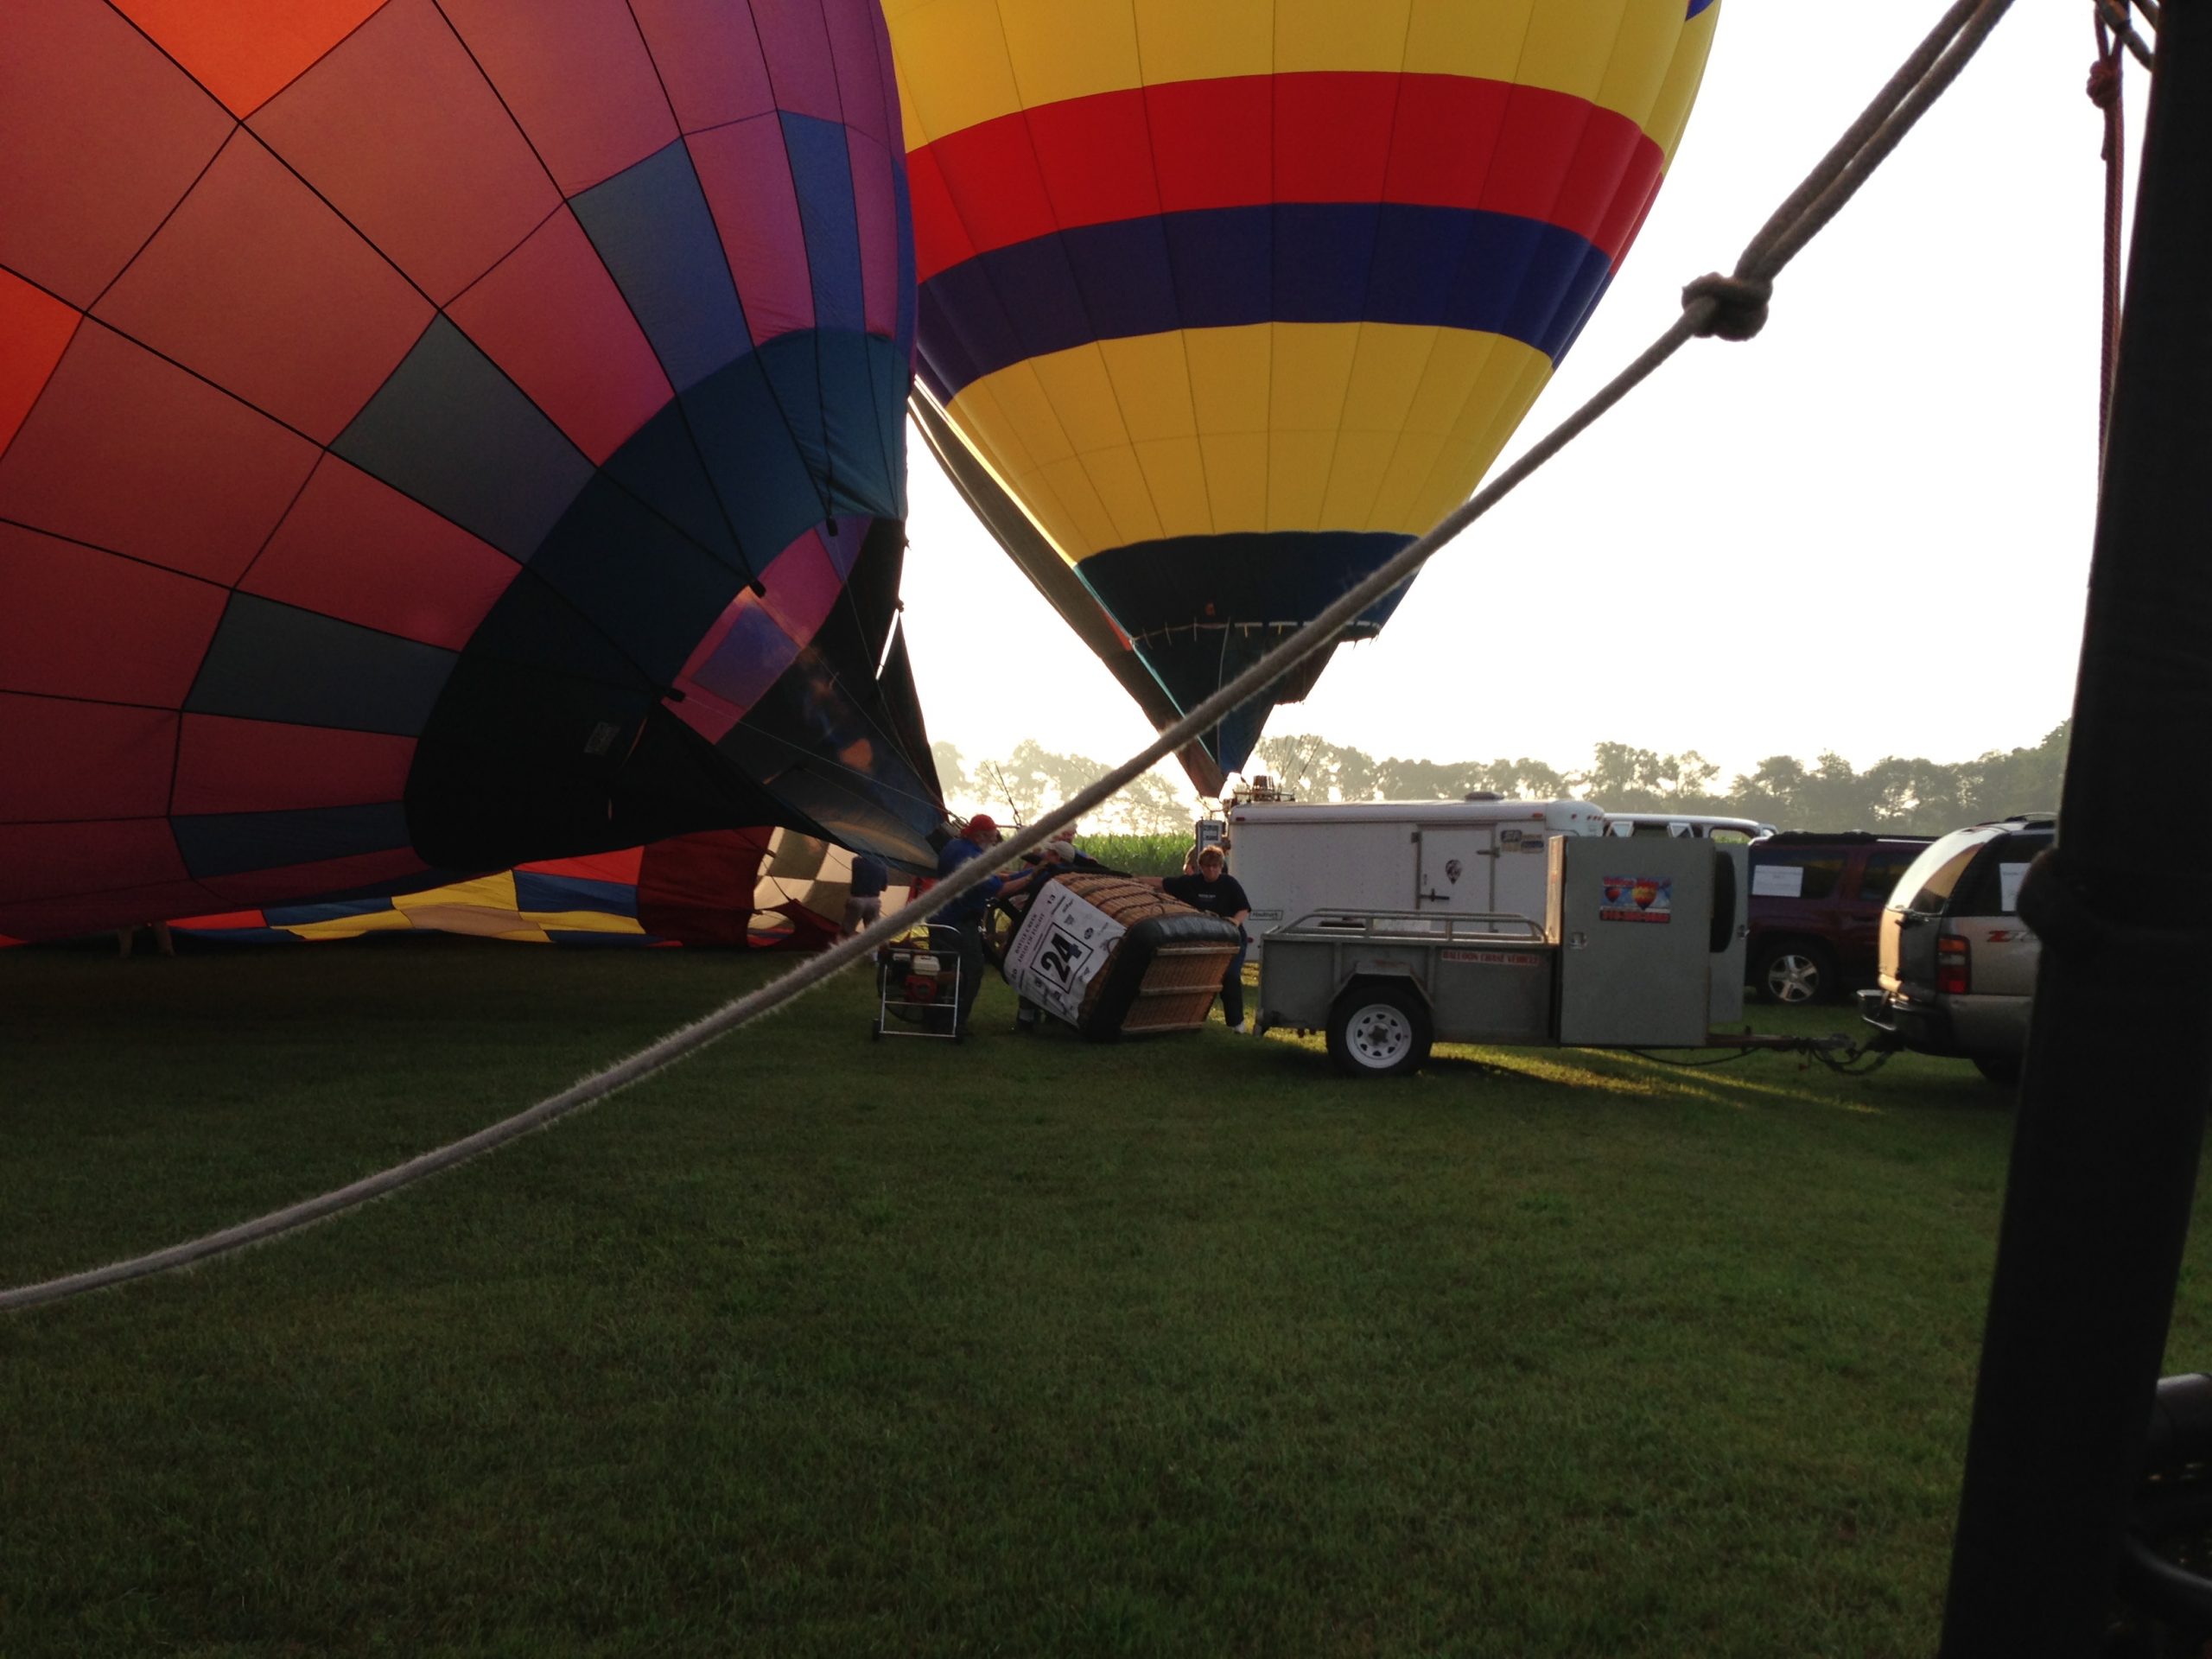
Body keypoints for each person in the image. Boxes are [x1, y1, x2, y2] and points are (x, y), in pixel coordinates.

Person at [934, 814, 1034, 1037]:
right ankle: (955, 1024)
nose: (994, 842)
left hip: (941, 919)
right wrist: (1031, 878)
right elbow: (999, 890)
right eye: (992, 837)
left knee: (944, 971)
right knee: (970, 971)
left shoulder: (956, 846)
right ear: (980, 836)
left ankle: (935, 1018)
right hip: (959, 922)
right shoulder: (970, 858)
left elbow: (995, 878)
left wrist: (1028, 873)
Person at [1144, 845, 1253, 1032]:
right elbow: (1162, 882)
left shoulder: (1230, 884)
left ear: (1221, 867)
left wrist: (1235, 921)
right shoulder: (1190, 883)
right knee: (1188, 976)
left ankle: (1237, 1023)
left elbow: (1244, 908)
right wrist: (1133, 879)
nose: (1211, 870)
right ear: (1200, 867)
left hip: (1231, 940)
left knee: (1230, 976)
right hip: (1201, 939)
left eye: (1215, 866)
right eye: (1207, 866)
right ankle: (1182, 1019)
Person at [842, 850, 888, 937]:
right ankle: (875, 946)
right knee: (874, 934)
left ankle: (844, 945)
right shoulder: (883, 866)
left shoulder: (856, 861)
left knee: (846, 933)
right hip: (874, 902)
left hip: (857, 899)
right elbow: (884, 888)